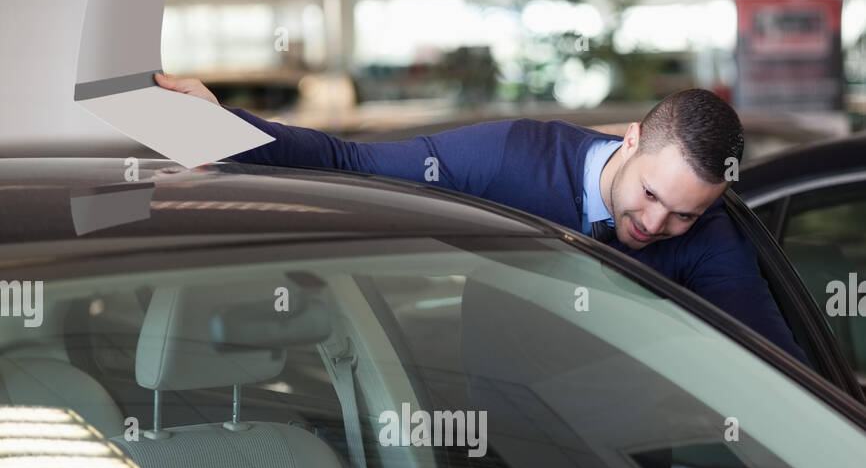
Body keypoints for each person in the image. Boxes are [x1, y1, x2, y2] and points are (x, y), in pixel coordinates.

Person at [154, 75, 807, 365]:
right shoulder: (511, 158)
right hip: (495, 432)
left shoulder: (710, 237)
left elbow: (778, 362)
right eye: (651, 195)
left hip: (630, 457)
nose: (656, 223)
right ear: (631, 140)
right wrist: (219, 129)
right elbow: (349, 161)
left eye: (684, 213)